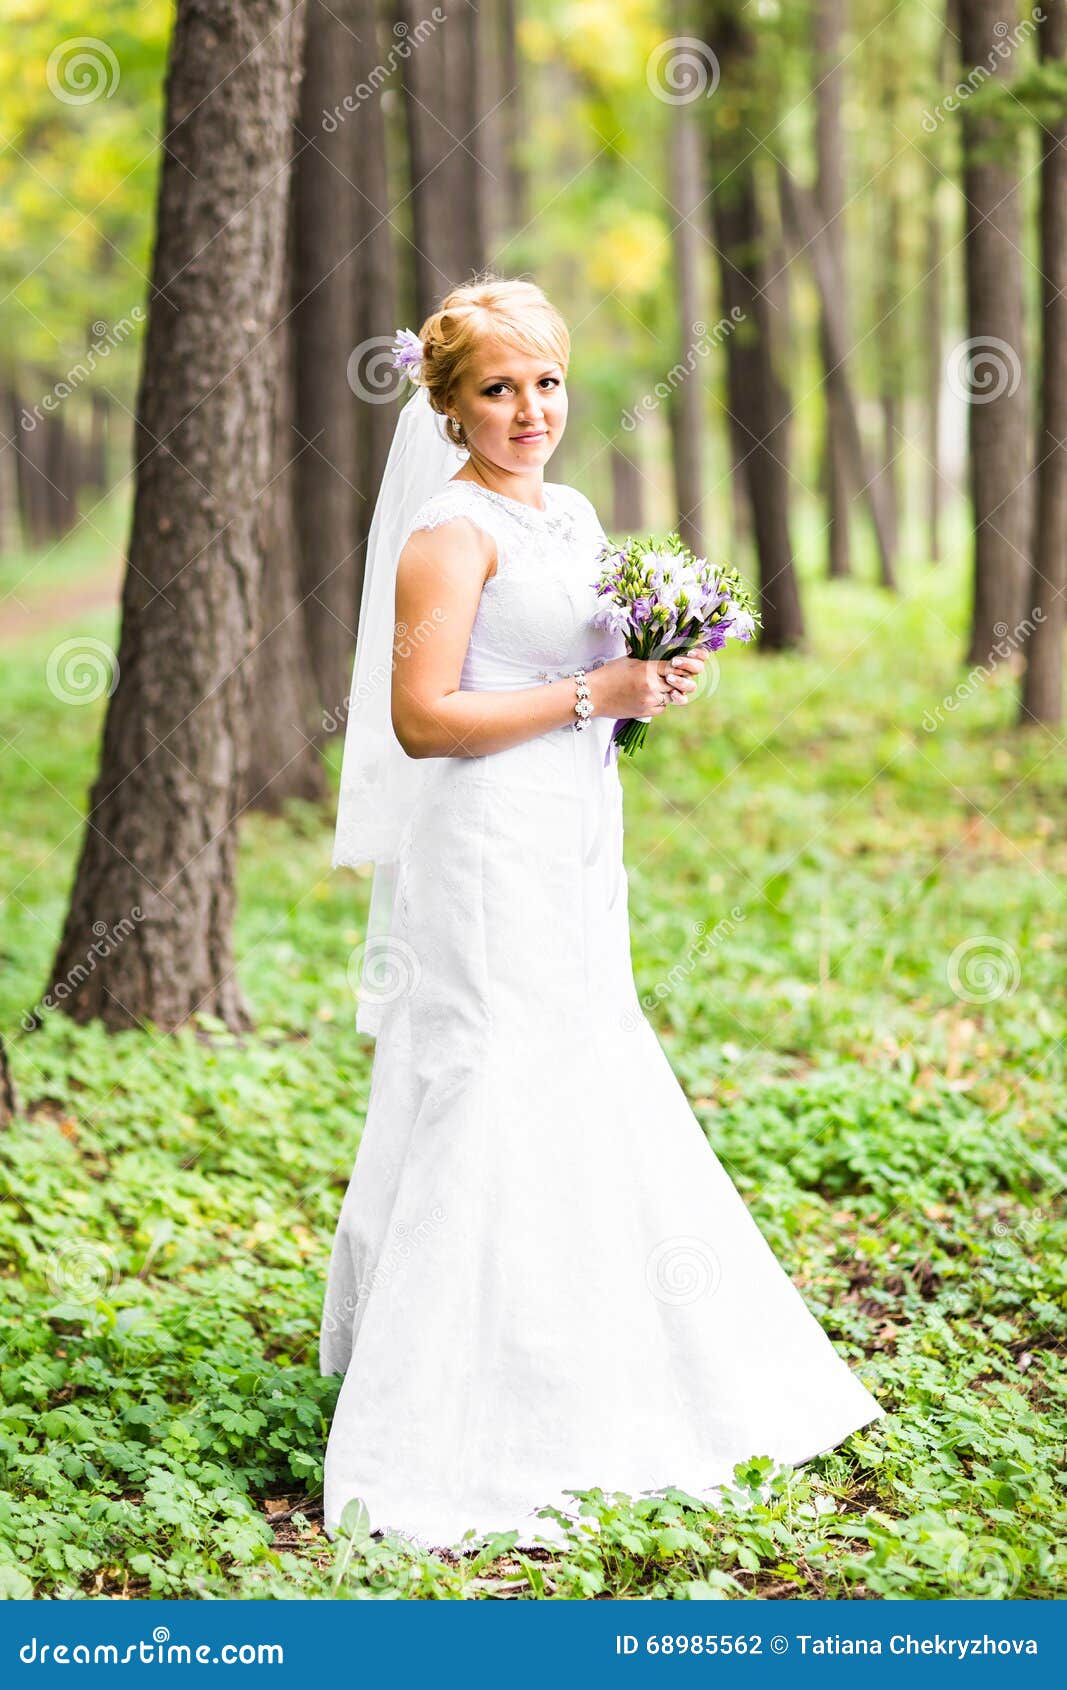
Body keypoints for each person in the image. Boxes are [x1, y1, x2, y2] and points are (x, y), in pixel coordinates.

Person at [320, 276, 885, 1552]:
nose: (530, 411)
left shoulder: (570, 515)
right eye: (497, 391)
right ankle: (458, 1405)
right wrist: (591, 690)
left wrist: (645, 683)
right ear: (450, 409)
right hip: (482, 848)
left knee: (586, 1063)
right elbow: (420, 720)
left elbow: (584, 671)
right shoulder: (444, 537)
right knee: (494, 1073)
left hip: (574, 836)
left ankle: (600, 1353)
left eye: (547, 383)